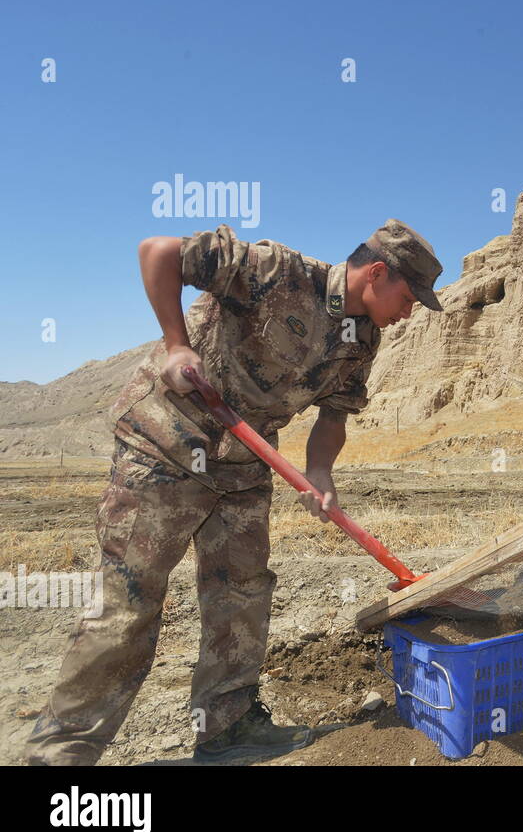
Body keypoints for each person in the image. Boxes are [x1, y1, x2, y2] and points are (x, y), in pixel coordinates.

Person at [25, 218, 444, 765]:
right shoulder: (277, 270)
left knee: (242, 592)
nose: (410, 311)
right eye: (410, 297)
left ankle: (228, 727)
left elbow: (335, 414)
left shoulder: (362, 338)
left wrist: (320, 472)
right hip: (166, 443)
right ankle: (60, 755)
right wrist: (177, 347)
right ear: (377, 272)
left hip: (244, 463)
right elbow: (158, 252)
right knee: (130, 603)